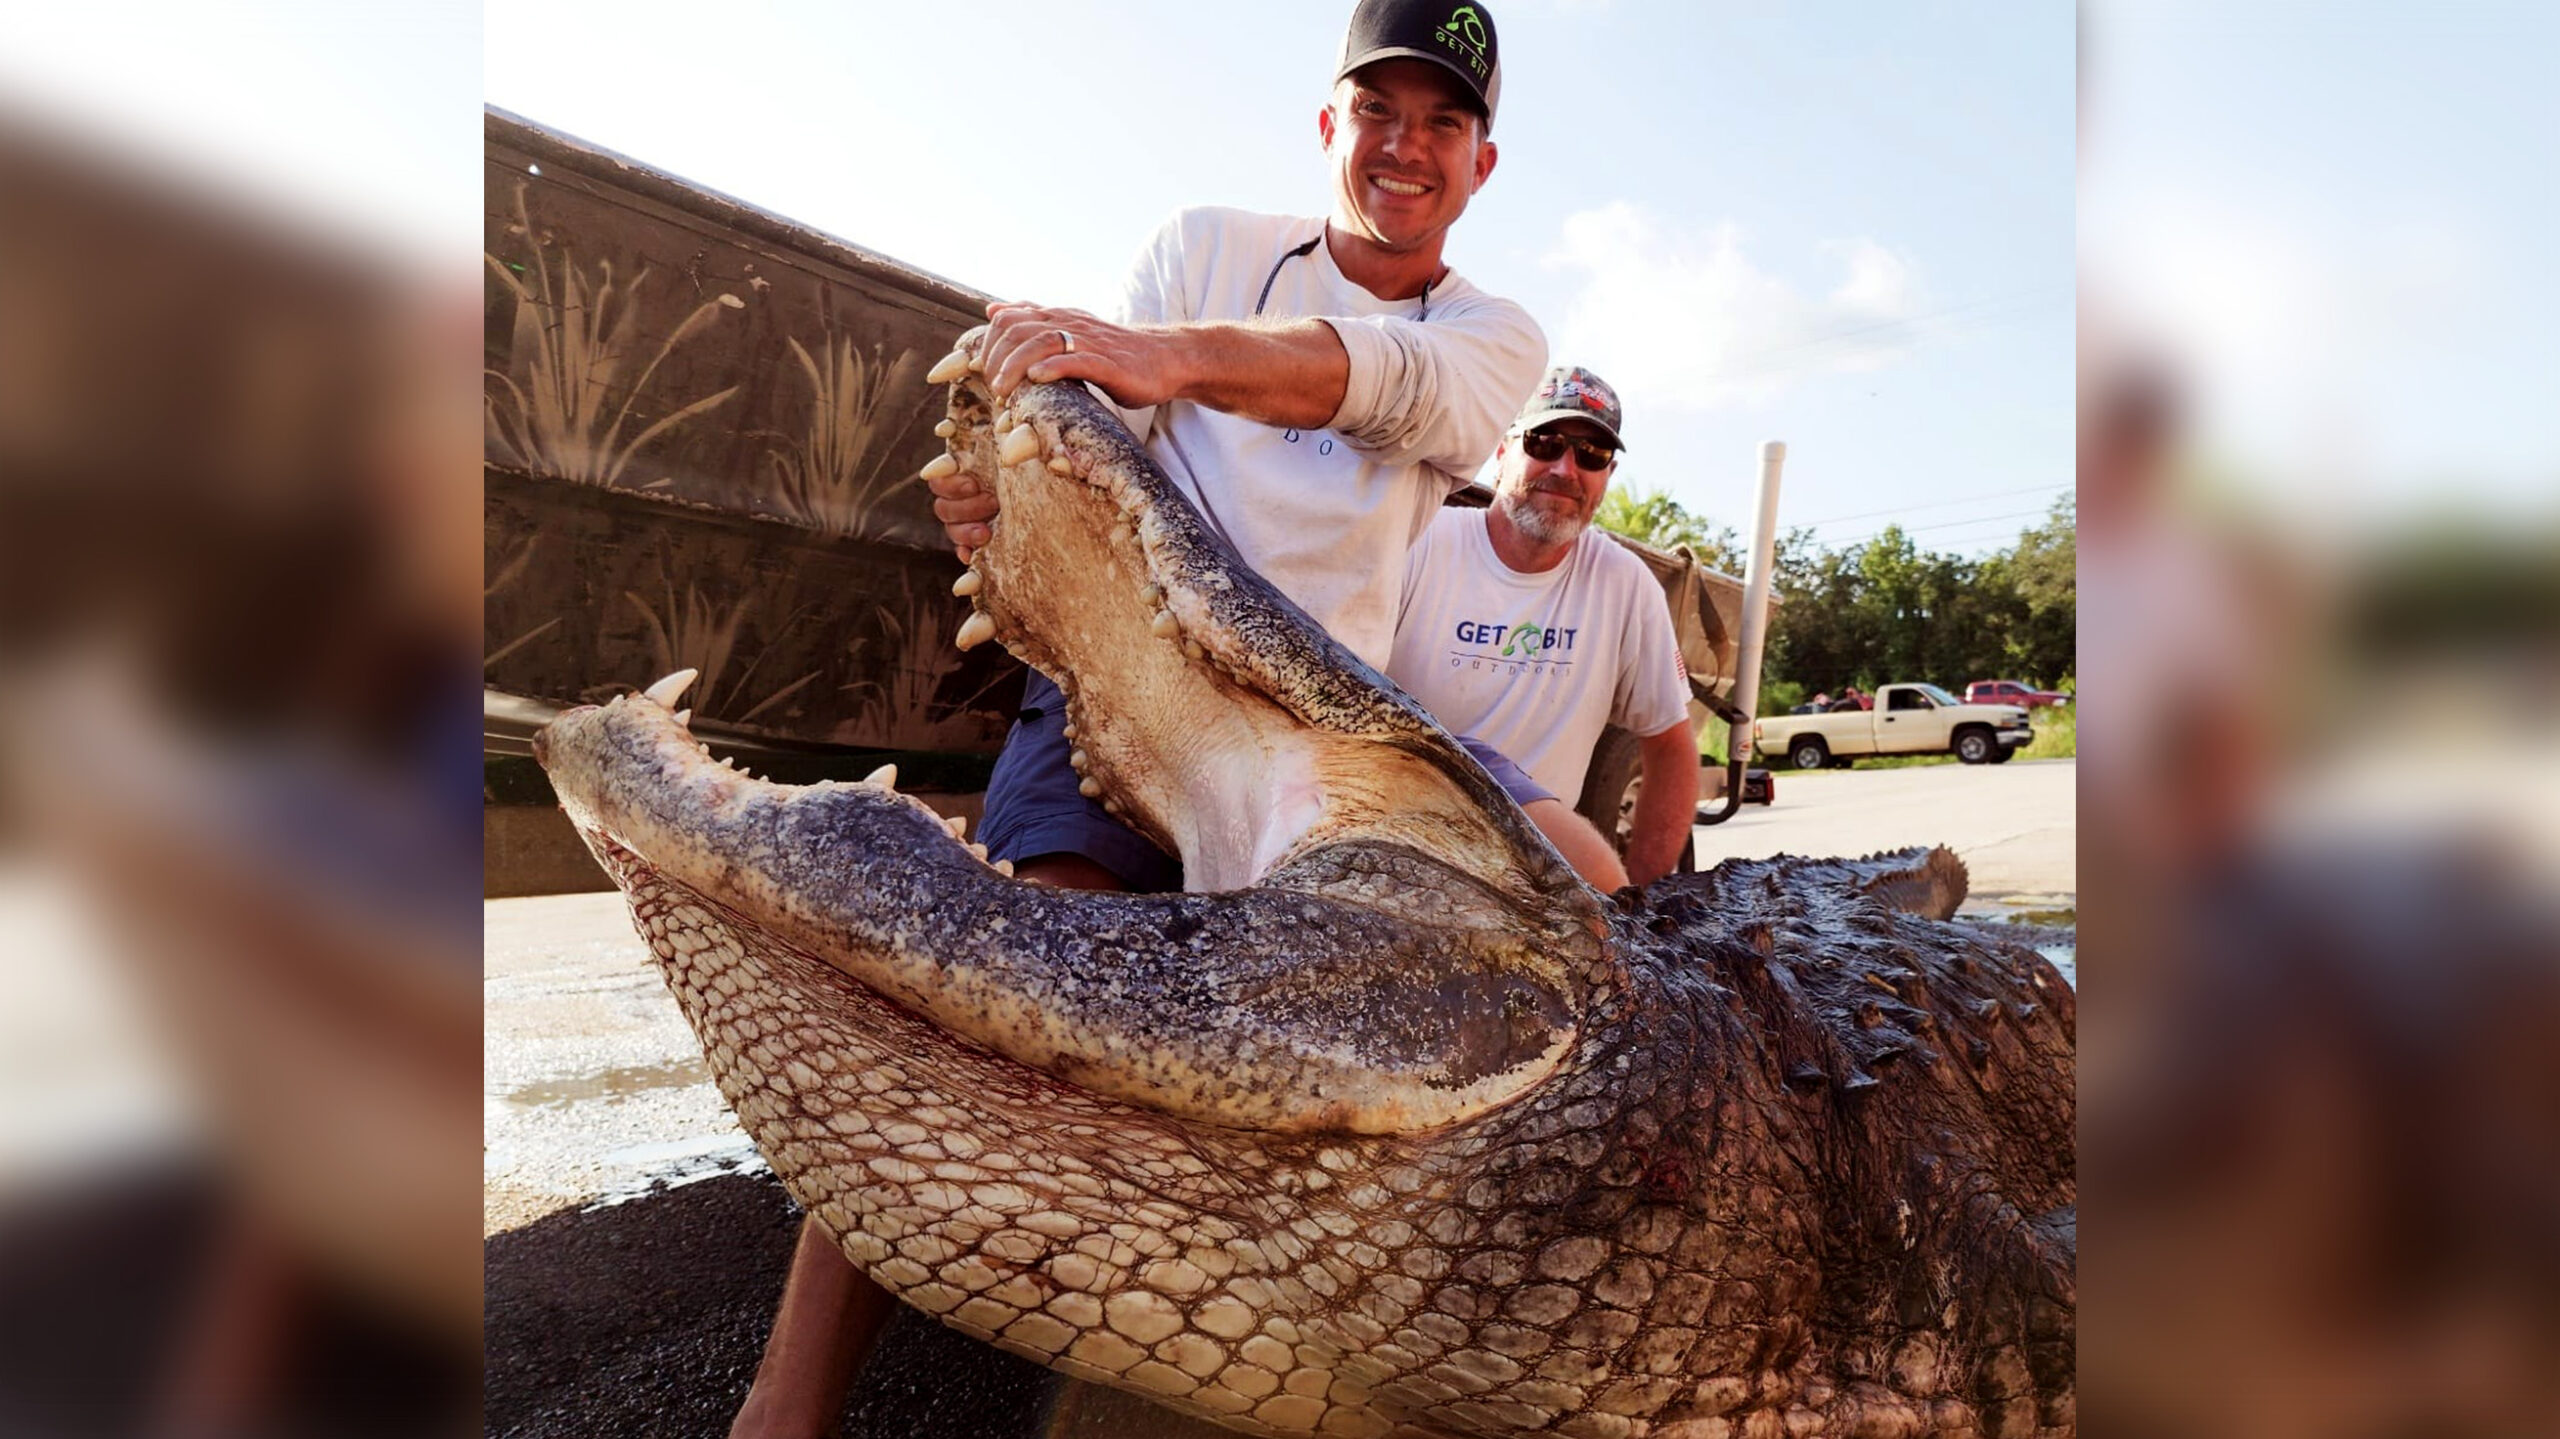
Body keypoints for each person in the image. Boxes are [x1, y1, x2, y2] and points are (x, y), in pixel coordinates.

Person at [735, 4, 1550, 1434]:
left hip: (1317, 728)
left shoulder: (1493, 337)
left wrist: (1160, 355)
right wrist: (1004, 499)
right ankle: (785, 1404)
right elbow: (1093, 461)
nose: (1406, 146)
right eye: (1380, 111)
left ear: (1483, 160)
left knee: (1454, 981)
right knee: (990, 966)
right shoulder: (1204, 242)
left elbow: (1391, 383)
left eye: (1442, 121)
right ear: (1329, 126)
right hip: (1125, 663)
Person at [1385, 365, 1699, 888]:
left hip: (1537, 879)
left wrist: (1645, 904)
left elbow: (1671, 745)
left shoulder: (1624, 584)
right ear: (1503, 452)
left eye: (1592, 455)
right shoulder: (1417, 544)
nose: (1565, 469)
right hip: (1398, 847)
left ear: (1608, 476)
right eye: (1546, 442)